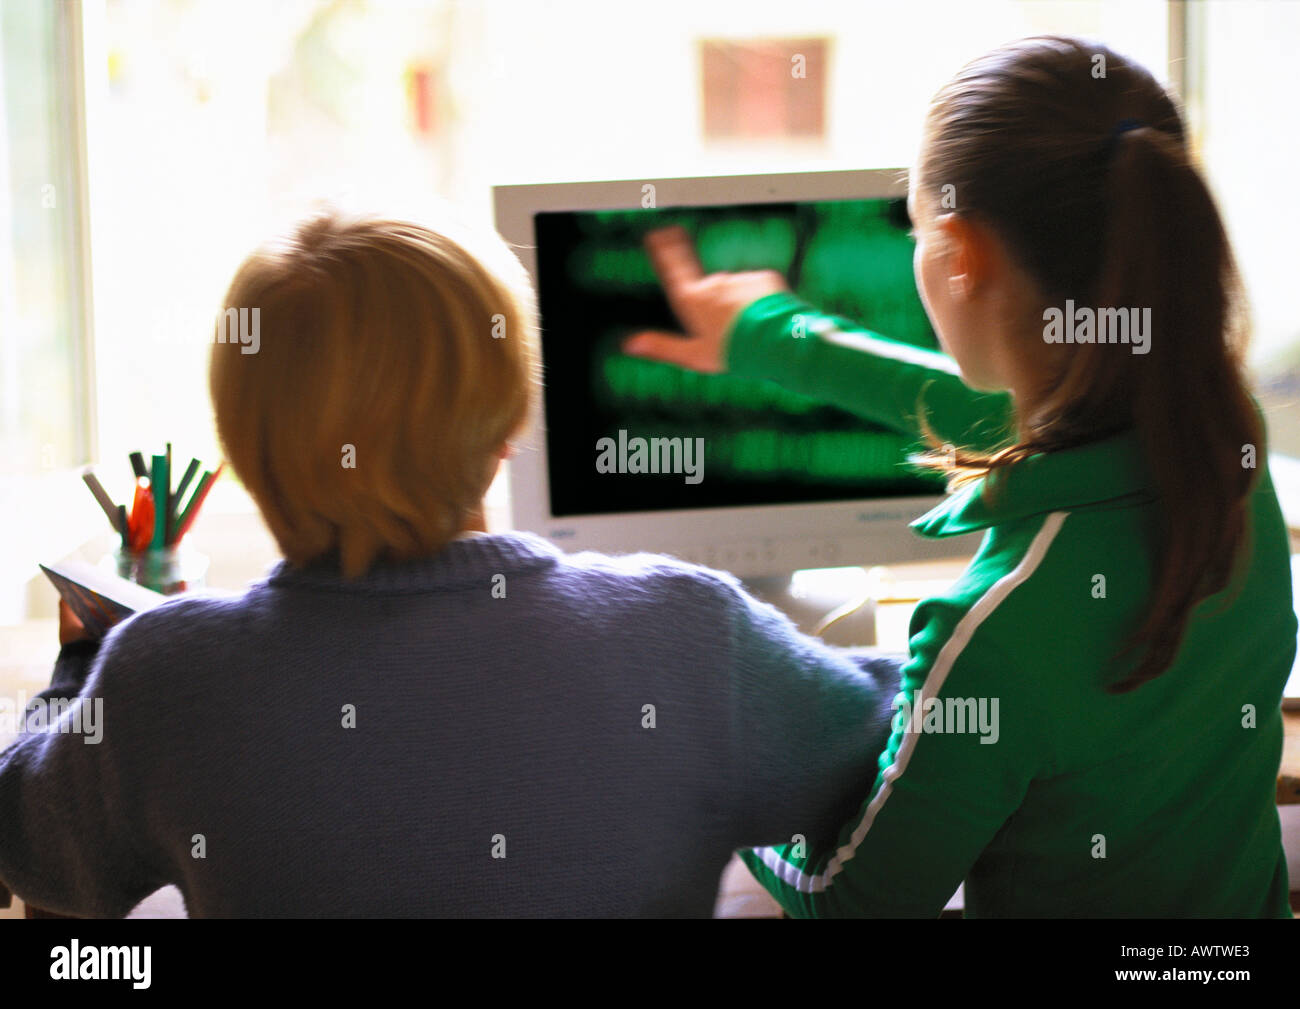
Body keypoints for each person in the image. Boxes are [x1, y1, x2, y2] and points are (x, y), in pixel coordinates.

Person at [0, 212, 902, 918]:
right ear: (512, 419)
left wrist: (80, 671)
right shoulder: (690, 636)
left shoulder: (170, 677)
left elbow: (28, 837)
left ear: (243, 446)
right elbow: (911, 736)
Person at [624, 36, 1297, 917]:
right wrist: (770, 335)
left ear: (963, 254)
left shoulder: (996, 628)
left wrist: (738, 804)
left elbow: (857, 895)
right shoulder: (1222, 448)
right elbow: (1035, 419)